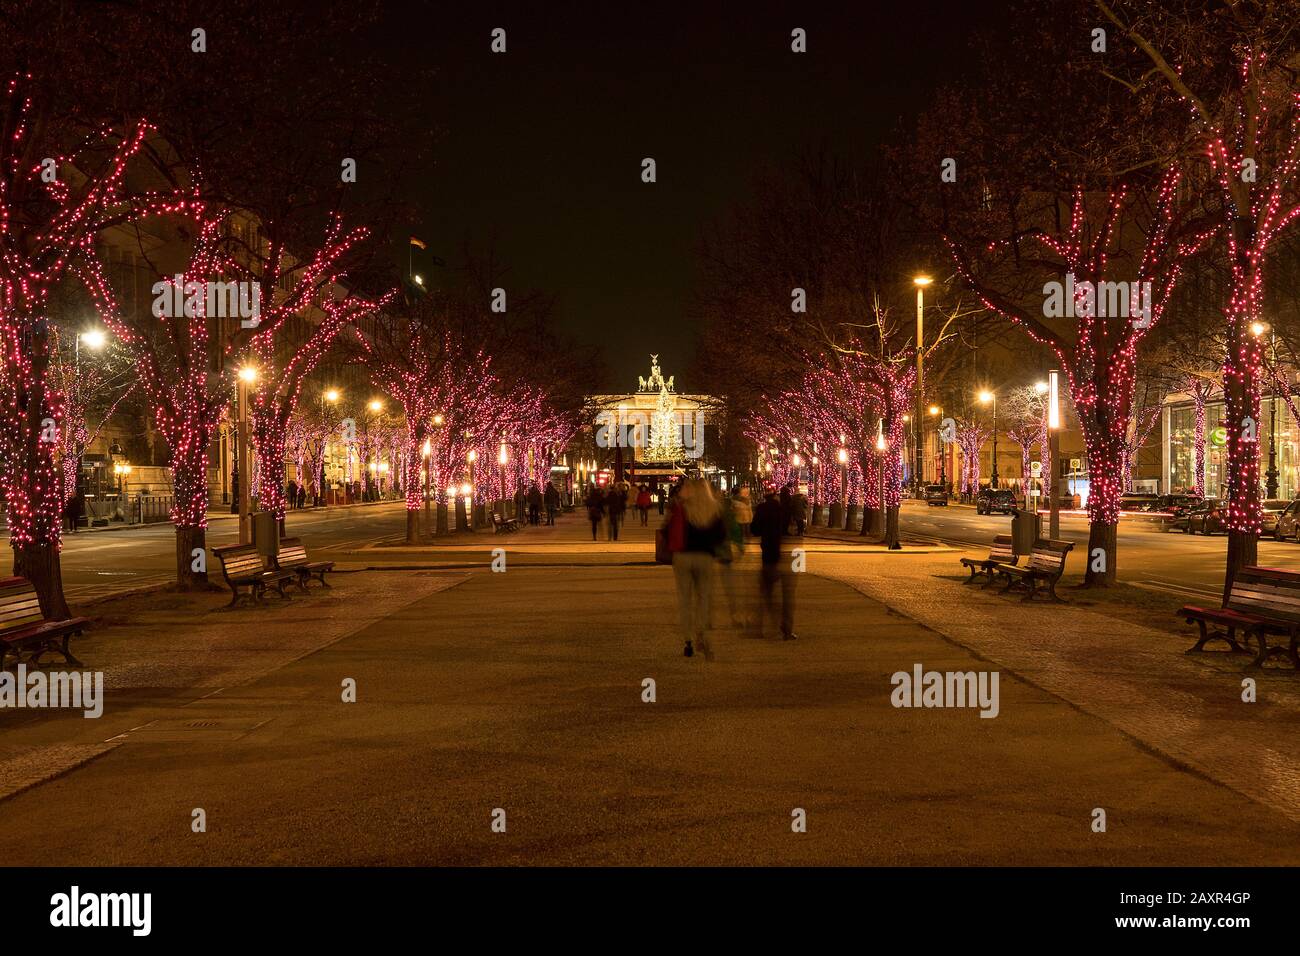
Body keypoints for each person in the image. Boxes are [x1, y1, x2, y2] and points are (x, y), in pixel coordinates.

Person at [668, 477, 726, 660]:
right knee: (704, 597)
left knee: (685, 599)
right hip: (705, 557)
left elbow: (667, 530)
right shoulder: (715, 508)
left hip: (683, 557)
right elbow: (721, 536)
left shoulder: (682, 507)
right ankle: (702, 633)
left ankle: (688, 641)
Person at [750, 489, 798, 641]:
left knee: (765, 593)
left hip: (770, 555)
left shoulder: (762, 509)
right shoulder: (787, 510)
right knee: (788, 597)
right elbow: (796, 531)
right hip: (790, 557)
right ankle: (787, 630)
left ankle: (758, 628)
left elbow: (755, 530)